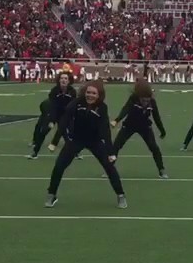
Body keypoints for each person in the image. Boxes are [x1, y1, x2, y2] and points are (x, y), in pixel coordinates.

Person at [46, 81, 126, 209]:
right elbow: (64, 122)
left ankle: (121, 195)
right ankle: (51, 194)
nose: (90, 95)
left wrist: (110, 152)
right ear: (84, 92)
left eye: (94, 93)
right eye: (88, 92)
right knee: (59, 166)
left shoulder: (102, 107)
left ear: (99, 95)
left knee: (109, 167)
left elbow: (105, 130)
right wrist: (54, 142)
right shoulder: (76, 103)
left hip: (95, 141)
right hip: (76, 139)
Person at [112, 78, 169, 179]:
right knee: (116, 146)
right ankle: (109, 168)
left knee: (154, 147)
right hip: (129, 125)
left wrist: (162, 131)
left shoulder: (152, 102)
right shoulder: (133, 99)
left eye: (147, 100)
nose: (145, 103)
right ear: (138, 97)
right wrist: (117, 120)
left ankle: (161, 170)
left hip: (145, 127)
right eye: (143, 100)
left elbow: (156, 117)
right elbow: (125, 110)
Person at [29, 72, 77, 159]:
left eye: (66, 79)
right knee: (44, 131)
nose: (63, 80)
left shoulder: (72, 92)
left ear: (69, 81)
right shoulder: (54, 91)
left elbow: (72, 106)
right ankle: (35, 152)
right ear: (59, 80)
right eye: (62, 78)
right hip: (55, 114)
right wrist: (51, 120)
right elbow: (53, 106)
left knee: (68, 134)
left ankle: (74, 153)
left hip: (66, 115)